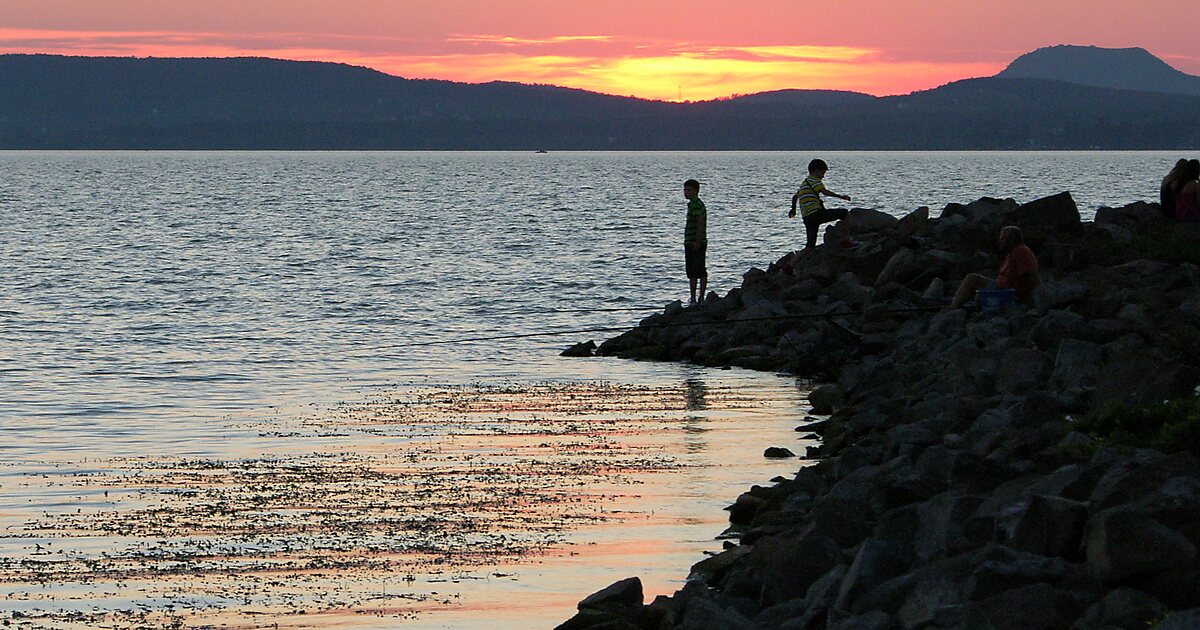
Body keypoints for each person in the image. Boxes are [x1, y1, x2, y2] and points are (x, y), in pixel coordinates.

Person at [950, 226, 1039, 308]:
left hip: (1008, 292)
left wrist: (1018, 296)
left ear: (1012, 240)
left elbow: (1030, 277)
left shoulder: (1021, 252)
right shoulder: (1012, 253)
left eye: (1003, 239)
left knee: (972, 279)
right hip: (1002, 288)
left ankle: (953, 308)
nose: (999, 241)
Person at [789, 158, 858, 250]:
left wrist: (793, 210)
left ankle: (790, 264)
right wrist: (841, 197)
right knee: (844, 213)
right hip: (816, 214)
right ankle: (846, 240)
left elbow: (795, 197)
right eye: (823, 173)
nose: (823, 176)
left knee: (810, 246)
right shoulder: (815, 181)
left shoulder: (804, 184)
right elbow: (825, 192)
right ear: (816, 170)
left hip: (807, 218)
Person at [683, 179, 708, 304]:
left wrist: (697, 241)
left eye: (689, 190)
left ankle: (699, 298)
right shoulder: (693, 204)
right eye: (685, 190)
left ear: (696, 191)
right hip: (690, 242)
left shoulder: (696, 205)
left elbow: (700, 222)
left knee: (699, 270)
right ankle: (693, 298)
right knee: (692, 271)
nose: (686, 193)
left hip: (695, 242)